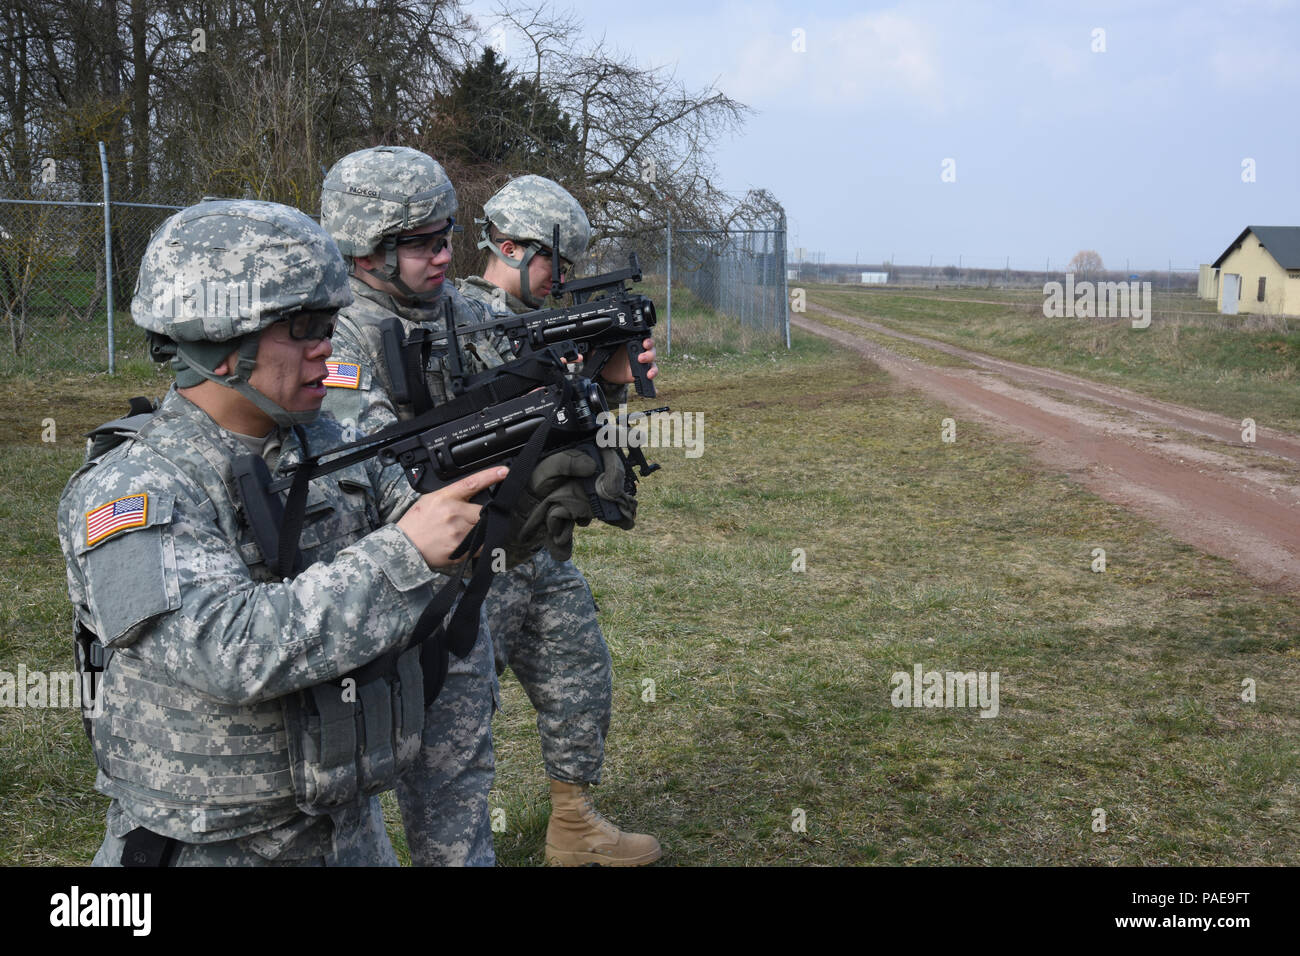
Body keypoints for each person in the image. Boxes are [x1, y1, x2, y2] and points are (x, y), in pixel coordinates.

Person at [57, 198, 505, 866]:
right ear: (218, 339)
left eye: (329, 320)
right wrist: (403, 553)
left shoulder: (327, 444)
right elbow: (229, 650)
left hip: (347, 834)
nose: (329, 342)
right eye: (302, 327)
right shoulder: (134, 487)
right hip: (208, 846)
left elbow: (430, 525)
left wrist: (526, 463)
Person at [458, 174, 661, 866]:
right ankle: (456, 847)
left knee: (581, 673)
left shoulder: (551, 323)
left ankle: (573, 824)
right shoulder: (451, 316)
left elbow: (577, 436)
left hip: (539, 545)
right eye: (554, 261)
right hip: (472, 554)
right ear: (510, 247)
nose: (562, 277)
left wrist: (607, 379)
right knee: (461, 717)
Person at [319, 145, 510, 866]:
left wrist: (598, 381)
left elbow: (523, 369)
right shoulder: (328, 333)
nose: (442, 256)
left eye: (448, 236)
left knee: (458, 788)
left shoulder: (458, 309)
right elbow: (364, 462)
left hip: (451, 600)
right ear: (367, 250)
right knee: (345, 807)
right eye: (421, 243)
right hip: (362, 600)